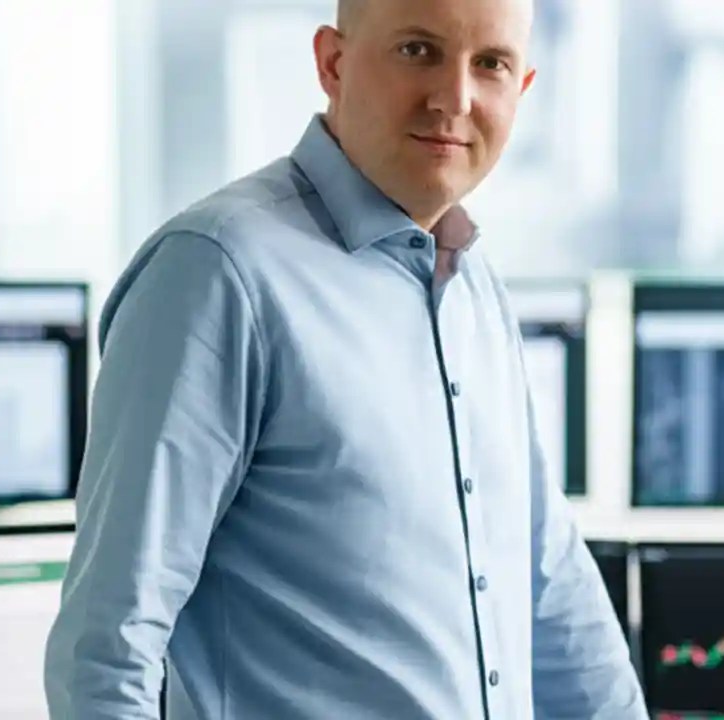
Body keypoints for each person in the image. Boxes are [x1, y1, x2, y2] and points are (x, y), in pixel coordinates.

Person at [43, 0, 647, 717]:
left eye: (490, 64)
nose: (454, 98)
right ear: (332, 62)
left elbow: (552, 591)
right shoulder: (217, 272)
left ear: (523, 87)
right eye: (418, 50)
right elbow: (108, 645)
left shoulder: (474, 284)